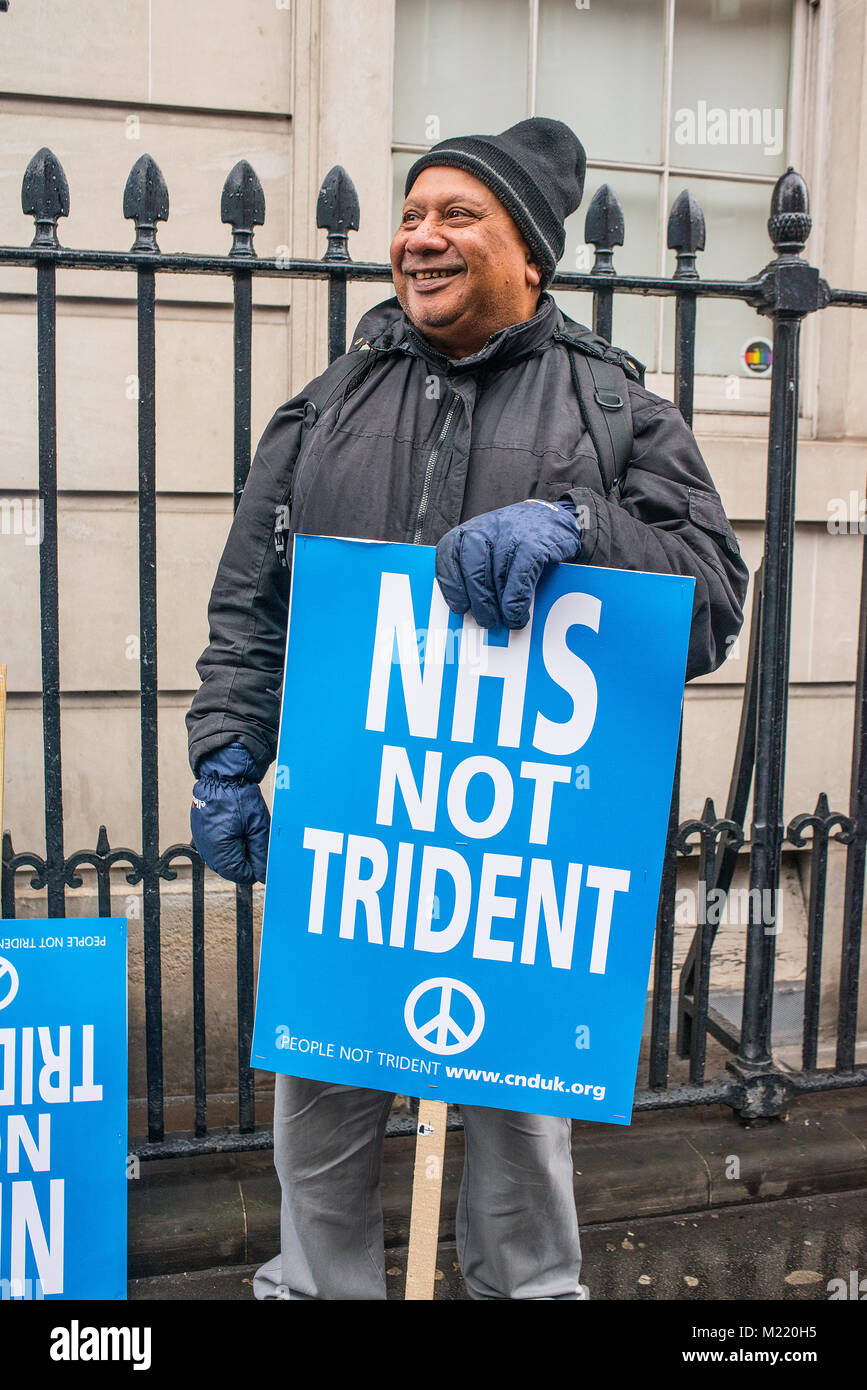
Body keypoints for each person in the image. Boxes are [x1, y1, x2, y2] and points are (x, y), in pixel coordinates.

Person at [186, 118, 749, 1300]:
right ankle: (316, 1287)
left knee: (515, 1129)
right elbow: (253, 600)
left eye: (458, 215)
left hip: (515, 859)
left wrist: (582, 529)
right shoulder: (330, 401)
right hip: (361, 837)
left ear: (532, 257)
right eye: (412, 213)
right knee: (322, 1102)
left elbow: (709, 601)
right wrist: (230, 749)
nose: (419, 238)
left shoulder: (612, 411)